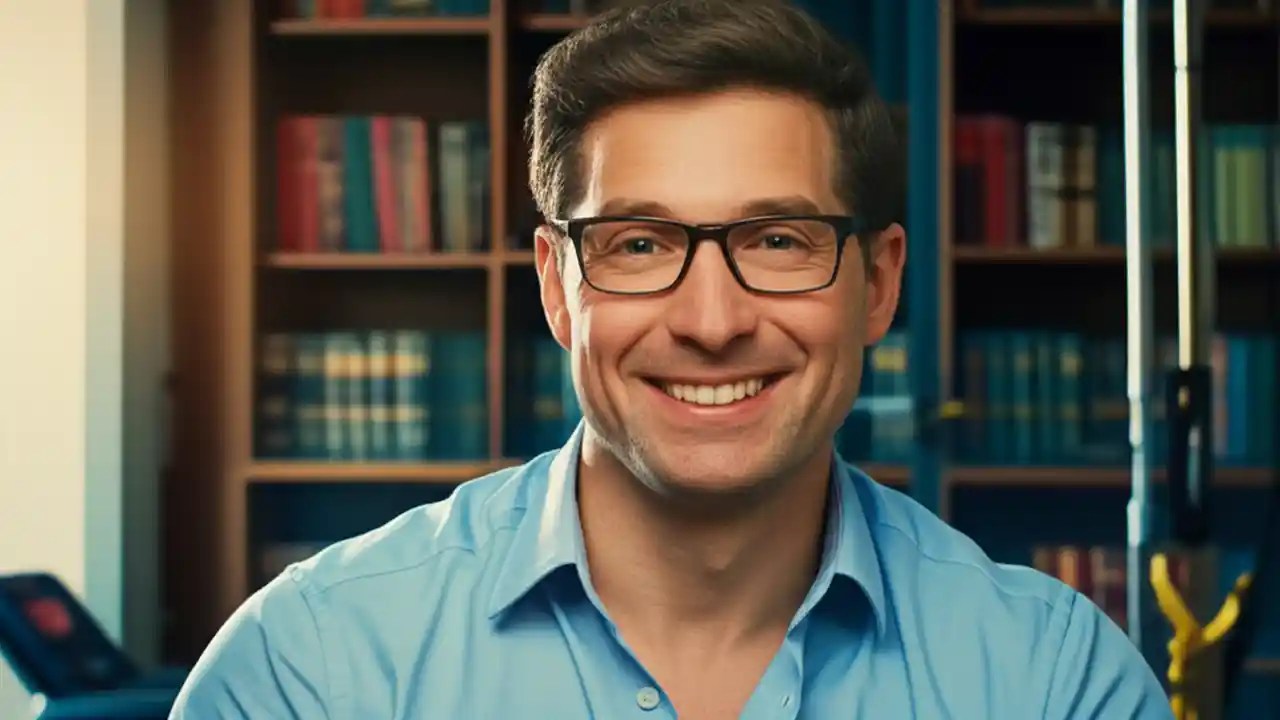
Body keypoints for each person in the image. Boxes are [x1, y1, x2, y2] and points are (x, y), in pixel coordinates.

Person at [170, 1, 1174, 717]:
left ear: (876, 285)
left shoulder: (1053, 680)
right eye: (638, 244)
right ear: (558, 285)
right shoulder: (310, 668)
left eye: (777, 240)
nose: (709, 319)